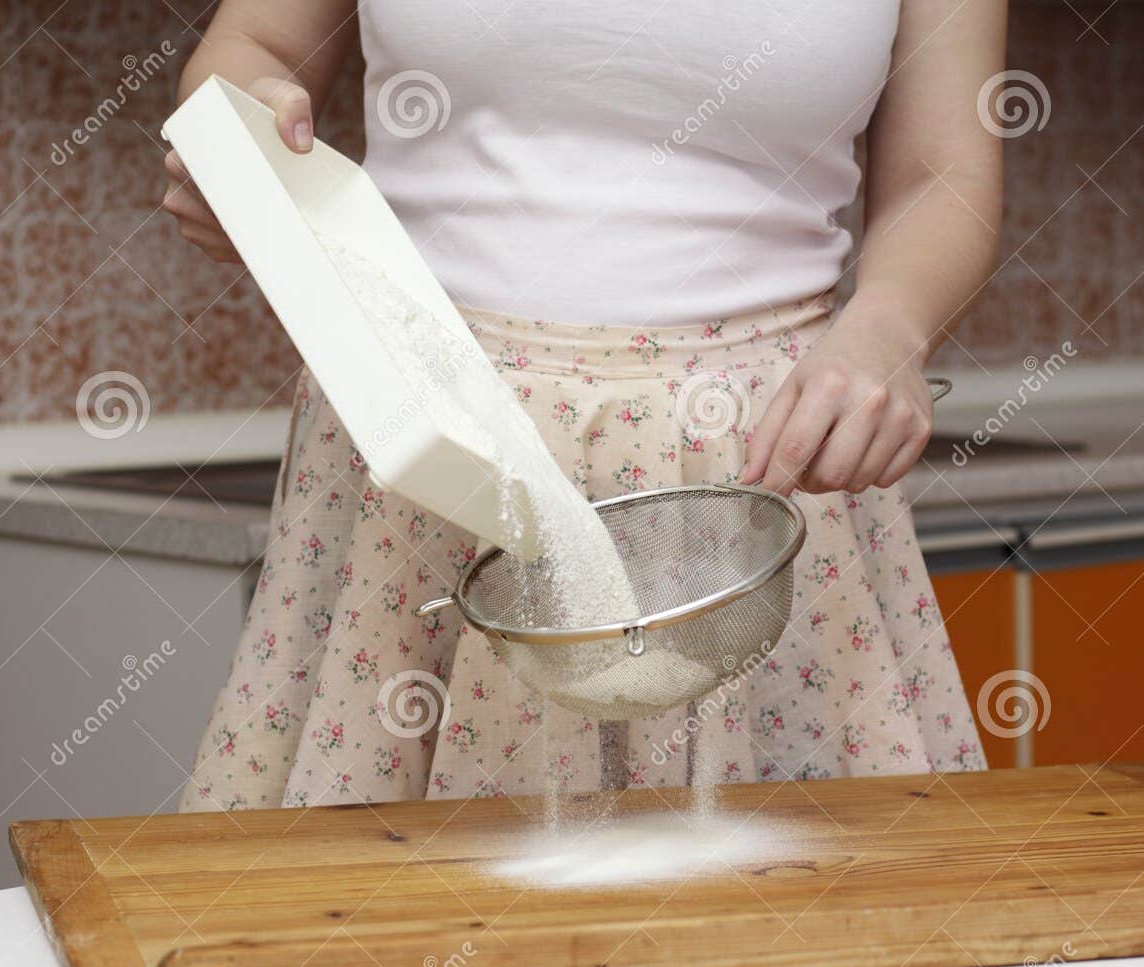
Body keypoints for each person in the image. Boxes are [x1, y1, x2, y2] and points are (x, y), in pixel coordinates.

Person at [166, 0, 1003, 811]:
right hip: (427, 447)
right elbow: (254, 44)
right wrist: (236, 142)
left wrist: (889, 329)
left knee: (813, 910)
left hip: (760, 478)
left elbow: (945, 172)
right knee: (360, 915)